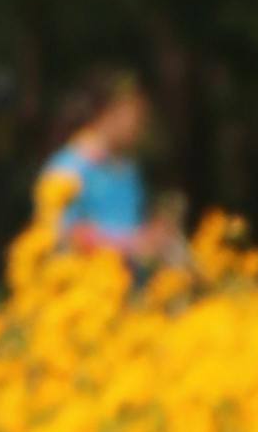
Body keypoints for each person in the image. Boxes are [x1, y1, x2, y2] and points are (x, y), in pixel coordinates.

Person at [31, 67, 176, 281]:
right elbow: (60, 234)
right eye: (134, 116)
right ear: (107, 111)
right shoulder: (67, 169)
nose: (139, 127)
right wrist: (131, 244)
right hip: (84, 294)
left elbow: (130, 224)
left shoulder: (128, 167)